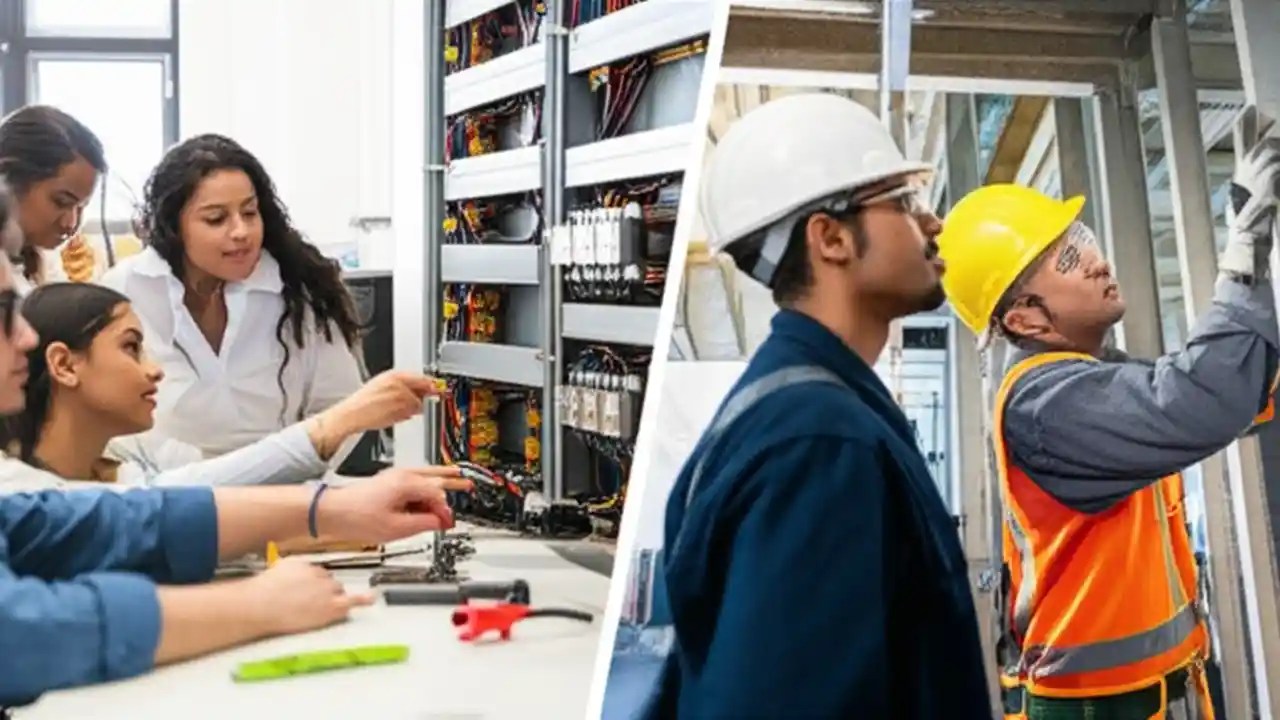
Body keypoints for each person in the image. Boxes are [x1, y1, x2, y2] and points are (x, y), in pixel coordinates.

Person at [641, 93, 991, 719]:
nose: (932, 221)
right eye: (903, 202)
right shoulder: (821, 442)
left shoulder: (791, 409)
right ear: (831, 238)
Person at [0, 247, 468, 710]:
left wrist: (328, 509)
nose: (24, 338)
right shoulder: (19, 480)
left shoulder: (110, 465)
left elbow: (116, 517)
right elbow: (23, 629)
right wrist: (258, 604)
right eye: (5, 311)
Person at [935, 137, 1280, 719]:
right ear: (1023, 317)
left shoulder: (1091, 378)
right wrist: (1243, 259)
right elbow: (1195, 402)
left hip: (1143, 695)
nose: (1096, 260)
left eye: (1082, 241)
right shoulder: (1046, 405)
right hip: (1096, 709)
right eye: (1067, 260)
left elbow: (1229, 397)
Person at [0, 281, 437, 491]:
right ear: (63, 364)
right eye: (132, 349)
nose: (154, 371)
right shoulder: (20, 490)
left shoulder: (129, 456)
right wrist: (337, 423)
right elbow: (164, 505)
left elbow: (210, 481)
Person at [100, 134, 364, 467]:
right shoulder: (126, 290)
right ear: (173, 226)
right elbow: (103, 413)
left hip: (285, 495)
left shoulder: (297, 290)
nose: (241, 232)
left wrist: (287, 476)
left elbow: (341, 407)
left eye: (250, 213)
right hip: (168, 497)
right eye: (216, 219)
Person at [0, 105, 107, 291]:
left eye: (81, 207)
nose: (71, 224)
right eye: (61, 202)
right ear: (8, 180)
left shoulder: (39, 263)